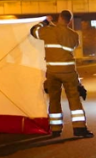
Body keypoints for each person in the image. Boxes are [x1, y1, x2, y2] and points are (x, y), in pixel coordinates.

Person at [30, 9, 92, 138]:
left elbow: (33, 31)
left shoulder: (48, 32)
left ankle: (56, 129)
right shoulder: (74, 35)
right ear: (69, 21)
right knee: (74, 99)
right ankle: (79, 128)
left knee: (54, 100)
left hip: (52, 72)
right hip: (68, 72)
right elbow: (72, 46)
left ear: (59, 18)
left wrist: (45, 22)